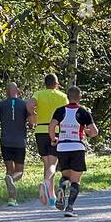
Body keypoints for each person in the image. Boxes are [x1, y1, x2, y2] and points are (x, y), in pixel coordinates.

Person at [47, 85, 97, 218]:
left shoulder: (60, 110)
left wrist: (53, 139)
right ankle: (69, 207)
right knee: (75, 180)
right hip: (77, 147)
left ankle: (62, 188)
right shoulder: (83, 112)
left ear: (67, 97)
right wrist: (86, 132)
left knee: (66, 176)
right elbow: (94, 132)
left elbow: (51, 126)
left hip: (62, 147)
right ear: (79, 97)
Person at [29, 73, 68, 207]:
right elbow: (67, 112)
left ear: (45, 83)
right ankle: (45, 183)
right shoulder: (62, 96)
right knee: (53, 163)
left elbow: (30, 105)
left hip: (40, 130)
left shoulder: (38, 94)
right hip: (56, 131)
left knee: (46, 163)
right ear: (56, 84)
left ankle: (51, 196)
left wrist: (33, 114)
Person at [0, 82, 29, 206]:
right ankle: (12, 182)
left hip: (5, 141)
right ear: (18, 91)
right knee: (19, 171)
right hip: (20, 142)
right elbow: (31, 122)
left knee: (9, 170)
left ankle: (12, 199)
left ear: (6, 92)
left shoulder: (1, 105)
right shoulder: (24, 104)